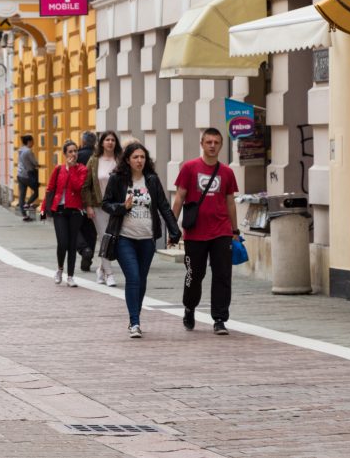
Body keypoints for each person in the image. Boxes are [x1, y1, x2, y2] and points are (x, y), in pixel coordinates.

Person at [102, 142, 181, 338]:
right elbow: (105, 204)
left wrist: (174, 230)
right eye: (135, 157)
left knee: (142, 280)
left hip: (147, 239)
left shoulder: (152, 180)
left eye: (142, 157)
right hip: (124, 237)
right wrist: (122, 207)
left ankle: (135, 317)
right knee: (134, 278)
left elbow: (163, 206)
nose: (139, 160)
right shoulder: (117, 179)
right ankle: (134, 322)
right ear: (127, 160)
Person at [171, 128, 239, 335]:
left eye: (216, 142)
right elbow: (179, 198)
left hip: (221, 232)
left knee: (222, 275)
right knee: (194, 274)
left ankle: (219, 318)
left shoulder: (227, 172)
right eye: (208, 142)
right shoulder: (189, 168)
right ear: (202, 143)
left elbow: (230, 202)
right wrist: (172, 228)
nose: (212, 145)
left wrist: (234, 229)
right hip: (195, 233)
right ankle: (189, 307)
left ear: (220, 145)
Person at [41, 140, 90, 287]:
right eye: (70, 151)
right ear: (65, 154)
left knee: (72, 243)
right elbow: (50, 189)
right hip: (60, 211)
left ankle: (70, 276)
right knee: (62, 242)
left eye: (75, 151)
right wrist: (44, 210)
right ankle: (60, 269)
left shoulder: (82, 169)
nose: (73, 154)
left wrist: (72, 169)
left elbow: (77, 187)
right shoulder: (58, 169)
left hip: (75, 210)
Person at [83, 130, 120, 287]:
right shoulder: (94, 160)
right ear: (102, 143)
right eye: (107, 140)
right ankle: (110, 274)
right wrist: (88, 206)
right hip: (99, 206)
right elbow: (86, 185)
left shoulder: (120, 161)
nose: (110, 142)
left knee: (114, 240)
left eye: (112, 140)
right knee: (105, 238)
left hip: (116, 206)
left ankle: (101, 269)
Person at [17, 135, 40, 222]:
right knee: (38, 191)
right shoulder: (28, 151)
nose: (33, 143)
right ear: (29, 141)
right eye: (33, 141)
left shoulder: (20, 150)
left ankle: (24, 215)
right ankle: (27, 204)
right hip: (28, 175)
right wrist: (39, 165)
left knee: (21, 195)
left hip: (20, 174)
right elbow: (35, 163)